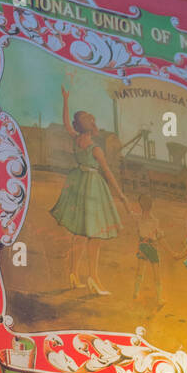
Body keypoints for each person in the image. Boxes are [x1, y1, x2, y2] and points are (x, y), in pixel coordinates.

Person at [51, 79, 129, 295]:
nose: (89, 120)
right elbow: (108, 174)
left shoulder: (76, 139)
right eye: (86, 118)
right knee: (94, 235)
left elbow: (67, 123)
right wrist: (121, 195)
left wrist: (66, 101)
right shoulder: (95, 149)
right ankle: (93, 278)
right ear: (86, 125)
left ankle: (74, 274)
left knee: (81, 233)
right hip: (93, 188)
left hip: (79, 184)